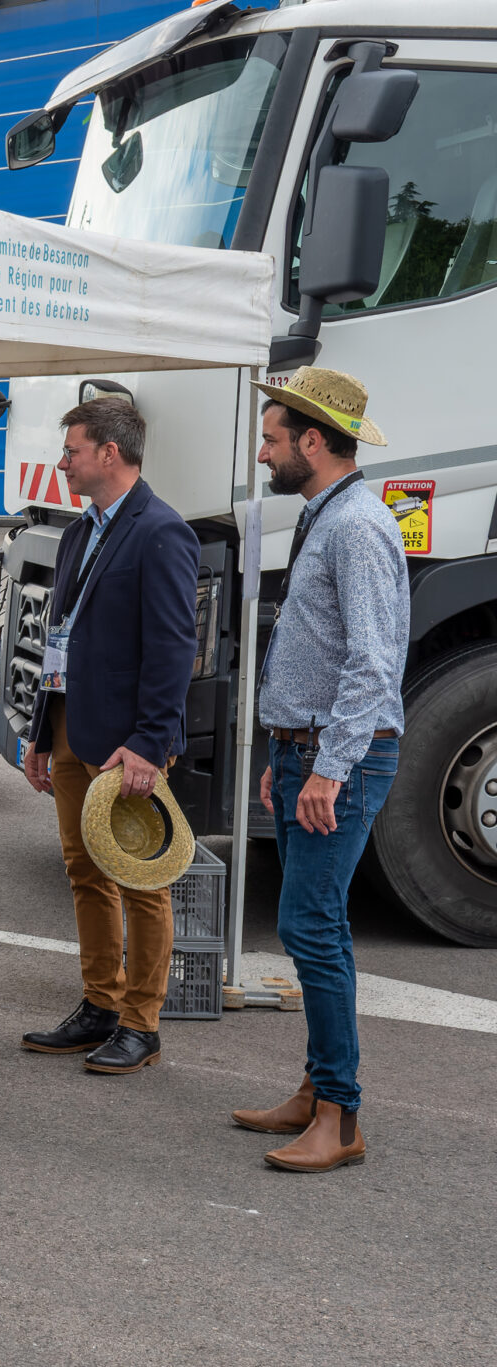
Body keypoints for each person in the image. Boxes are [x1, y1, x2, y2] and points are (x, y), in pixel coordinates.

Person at [232, 369, 408, 1173]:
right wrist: (286, 754)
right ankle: (315, 1091)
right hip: (308, 747)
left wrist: (329, 768)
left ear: (311, 440)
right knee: (313, 924)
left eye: (272, 438)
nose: (263, 452)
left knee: (311, 926)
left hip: (344, 752)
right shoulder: (326, 516)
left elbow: (373, 667)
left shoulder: (356, 527)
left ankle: (340, 1113)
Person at [18, 398, 199, 1075]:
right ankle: (99, 1002)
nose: (63, 462)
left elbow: (174, 648)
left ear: (109, 454)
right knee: (84, 870)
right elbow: (56, 643)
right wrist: (40, 732)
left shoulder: (161, 532)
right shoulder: (76, 533)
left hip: (127, 739)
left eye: (72, 450)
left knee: (140, 881)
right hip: (70, 727)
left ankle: (141, 1022)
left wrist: (152, 742)